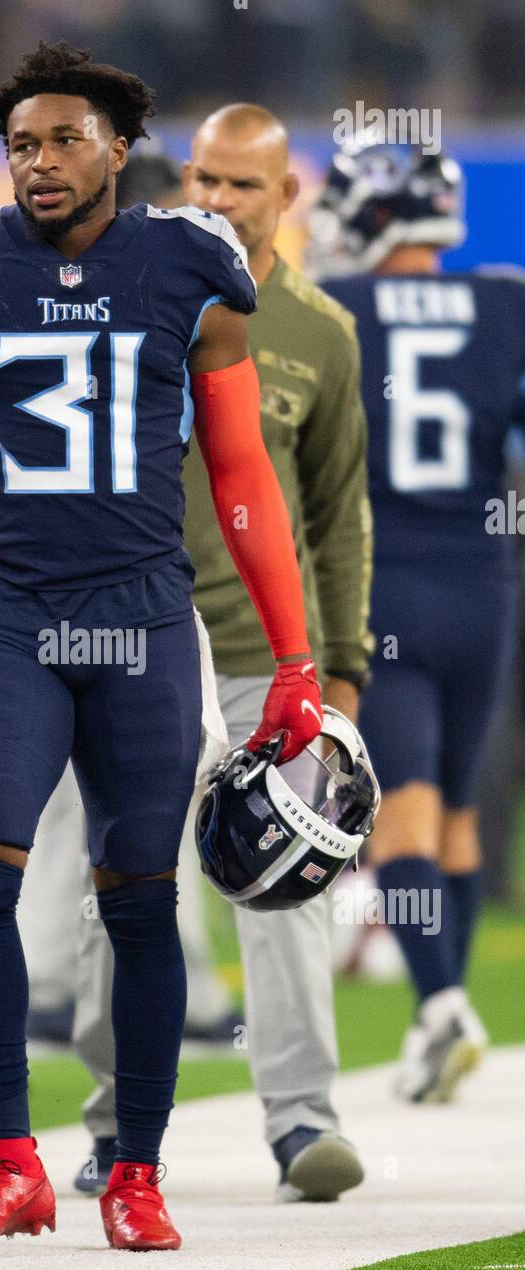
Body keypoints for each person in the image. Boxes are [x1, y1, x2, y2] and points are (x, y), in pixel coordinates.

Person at [0, 40, 322, 1254]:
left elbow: (243, 472)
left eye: (62, 140)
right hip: (9, 615)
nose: (38, 163)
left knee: (138, 900)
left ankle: (134, 1170)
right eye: (20, 144)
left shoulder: (189, 261)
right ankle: (8, 1162)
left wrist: (293, 659)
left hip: (144, 619)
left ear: (118, 149)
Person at [70, 103, 374, 1200]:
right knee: (116, 891)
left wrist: (340, 663)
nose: (209, 200)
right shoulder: (127, 282)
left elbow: (337, 514)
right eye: (198, 178)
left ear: (284, 197)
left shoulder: (321, 334)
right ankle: (110, 1130)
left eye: (238, 185)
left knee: (285, 895)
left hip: (258, 652)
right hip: (130, 636)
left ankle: (302, 1126)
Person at [309, 141, 525, 1102]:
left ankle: (440, 1007)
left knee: (401, 808)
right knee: (460, 814)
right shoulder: (506, 299)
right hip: (484, 582)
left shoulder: (336, 308)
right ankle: (440, 1016)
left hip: (381, 580)